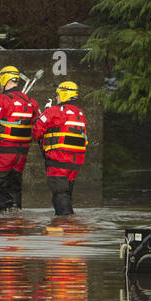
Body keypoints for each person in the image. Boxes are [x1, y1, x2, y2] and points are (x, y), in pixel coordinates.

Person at [0, 66, 38, 211]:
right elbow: (38, 124)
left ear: (4, 79)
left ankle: (7, 210)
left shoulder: (2, 99)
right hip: (21, 153)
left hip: (3, 152)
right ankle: (16, 216)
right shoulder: (31, 102)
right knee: (14, 186)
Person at [32, 80, 88, 216]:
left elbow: (36, 131)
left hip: (59, 160)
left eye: (57, 95)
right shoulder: (79, 113)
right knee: (66, 193)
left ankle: (65, 224)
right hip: (75, 162)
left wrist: (44, 113)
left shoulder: (53, 111)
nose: (56, 98)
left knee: (60, 193)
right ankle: (69, 225)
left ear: (63, 95)